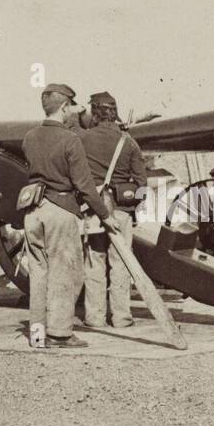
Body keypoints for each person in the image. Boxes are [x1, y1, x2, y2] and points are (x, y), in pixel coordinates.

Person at [21, 84, 116, 348]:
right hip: (59, 211)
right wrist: (105, 215)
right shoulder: (70, 139)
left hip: (32, 212)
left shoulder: (29, 137)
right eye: (72, 107)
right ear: (64, 107)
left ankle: (38, 335)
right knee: (65, 273)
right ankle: (60, 333)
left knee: (38, 275)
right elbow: (84, 185)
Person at [79, 91, 148, 328]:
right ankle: (121, 317)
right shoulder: (128, 142)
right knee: (120, 265)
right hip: (121, 212)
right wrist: (130, 206)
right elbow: (141, 184)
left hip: (93, 210)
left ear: (95, 113)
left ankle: (94, 317)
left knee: (94, 263)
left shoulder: (82, 139)